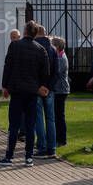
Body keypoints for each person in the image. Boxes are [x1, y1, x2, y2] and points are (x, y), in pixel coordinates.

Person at [0, 20, 50, 167]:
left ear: (25, 31)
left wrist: (5, 86)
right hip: (32, 92)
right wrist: (42, 86)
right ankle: (28, 157)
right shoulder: (41, 50)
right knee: (30, 125)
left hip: (17, 90)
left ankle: (9, 156)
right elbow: (45, 72)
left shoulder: (15, 46)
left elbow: (7, 66)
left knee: (14, 125)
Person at [33, 25, 59, 159]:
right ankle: (52, 148)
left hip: (38, 88)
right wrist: (49, 87)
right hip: (50, 89)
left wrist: (39, 87)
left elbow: (34, 71)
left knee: (39, 118)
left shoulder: (35, 48)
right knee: (51, 119)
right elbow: (56, 72)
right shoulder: (53, 49)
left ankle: (42, 147)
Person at [51, 36, 70, 146]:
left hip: (61, 90)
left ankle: (62, 140)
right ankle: (58, 138)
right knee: (57, 115)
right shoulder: (60, 56)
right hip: (59, 89)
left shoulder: (61, 58)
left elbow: (56, 72)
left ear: (57, 46)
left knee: (59, 116)